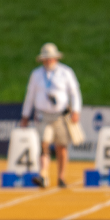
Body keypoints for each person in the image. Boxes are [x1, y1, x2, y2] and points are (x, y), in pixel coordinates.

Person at [20, 43, 82, 188]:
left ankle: (61, 177)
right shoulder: (36, 74)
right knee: (44, 145)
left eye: (50, 58)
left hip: (60, 115)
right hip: (43, 115)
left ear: (56, 58)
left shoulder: (66, 72)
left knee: (62, 147)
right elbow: (30, 96)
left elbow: (75, 93)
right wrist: (25, 116)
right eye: (46, 58)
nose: (48, 61)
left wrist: (76, 110)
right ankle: (43, 175)